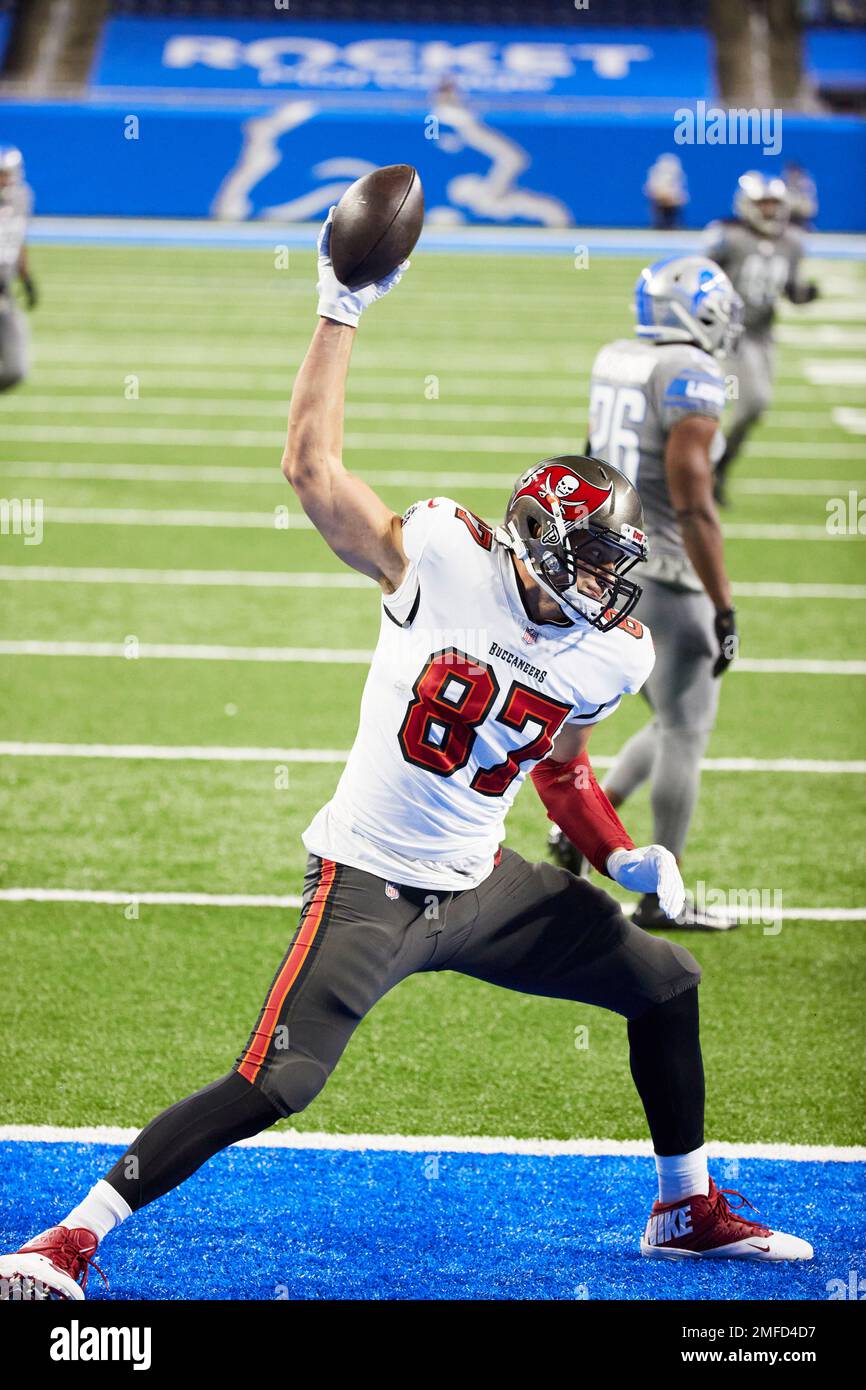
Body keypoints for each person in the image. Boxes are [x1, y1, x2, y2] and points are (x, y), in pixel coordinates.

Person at [0, 217, 811, 1301]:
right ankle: (71, 1236)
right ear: (525, 544)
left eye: (612, 567)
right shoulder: (437, 553)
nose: (608, 588)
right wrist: (339, 307)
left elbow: (558, 773)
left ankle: (682, 1207)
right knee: (276, 1078)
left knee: (664, 984)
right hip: (368, 884)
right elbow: (309, 466)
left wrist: (616, 856)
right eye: (590, 562)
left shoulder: (606, 652)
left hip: (481, 884)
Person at [548, 256, 744, 933]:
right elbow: (694, 502)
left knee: (666, 719)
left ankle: (579, 828)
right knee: (687, 728)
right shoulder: (689, 373)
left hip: (606, 560)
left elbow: (586, 459)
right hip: (663, 565)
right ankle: (664, 896)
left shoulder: (618, 355)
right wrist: (721, 602)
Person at [706, 171, 819, 505]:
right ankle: (711, 469)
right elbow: (702, 275)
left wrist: (806, 294)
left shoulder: (792, 242)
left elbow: (790, 291)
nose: (769, 211)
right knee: (750, 403)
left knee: (757, 407)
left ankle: (718, 468)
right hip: (731, 331)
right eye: (763, 204)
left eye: (774, 204)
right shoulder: (729, 236)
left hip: (764, 333)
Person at [0, 145, 37, 392]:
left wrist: (26, 277)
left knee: (16, 369)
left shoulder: (23, 197)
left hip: (6, 289)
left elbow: (19, 240)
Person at [643, 154, 688, 231]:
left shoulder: (678, 175)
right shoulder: (655, 172)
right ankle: (658, 224)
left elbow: (681, 191)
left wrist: (676, 197)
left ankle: (674, 225)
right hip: (659, 198)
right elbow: (649, 188)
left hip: (672, 200)